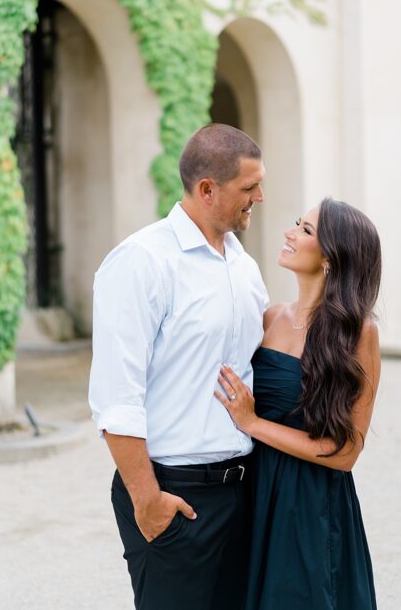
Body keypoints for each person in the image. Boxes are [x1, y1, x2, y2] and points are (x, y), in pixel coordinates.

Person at [88, 124, 267, 609]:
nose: (261, 197)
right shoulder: (142, 261)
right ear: (207, 190)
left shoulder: (243, 265)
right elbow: (115, 398)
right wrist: (148, 502)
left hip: (242, 492)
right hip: (175, 496)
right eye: (249, 188)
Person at [215, 197, 382, 609]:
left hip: (310, 502)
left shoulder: (359, 334)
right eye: (297, 224)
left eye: (305, 231)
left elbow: (345, 453)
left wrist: (253, 424)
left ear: (331, 258)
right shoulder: (270, 316)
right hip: (253, 489)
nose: (290, 233)